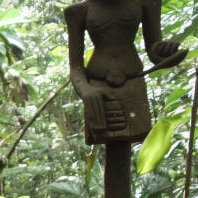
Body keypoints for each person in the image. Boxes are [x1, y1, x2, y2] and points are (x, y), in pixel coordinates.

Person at [65, 0, 186, 145]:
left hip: (133, 83)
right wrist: (86, 90)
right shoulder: (78, 11)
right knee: (104, 135)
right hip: (98, 87)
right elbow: (75, 68)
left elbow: (154, 53)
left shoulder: (147, 3)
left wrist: (164, 52)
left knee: (135, 133)